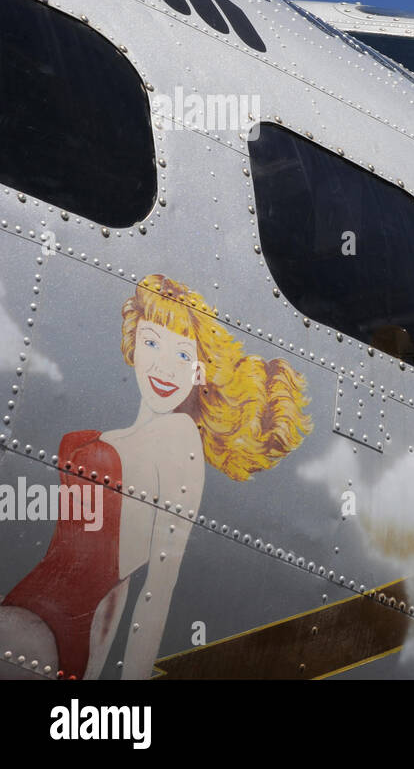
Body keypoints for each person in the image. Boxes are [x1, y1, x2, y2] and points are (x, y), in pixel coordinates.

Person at [0, 274, 312, 679]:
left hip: (38, 629)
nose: (163, 366)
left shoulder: (180, 437)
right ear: (133, 344)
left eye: (183, 355)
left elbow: (157, 591)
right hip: (47, 621)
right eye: (151, 342)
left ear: (200, 371)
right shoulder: (125, 436)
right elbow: (118, 590)